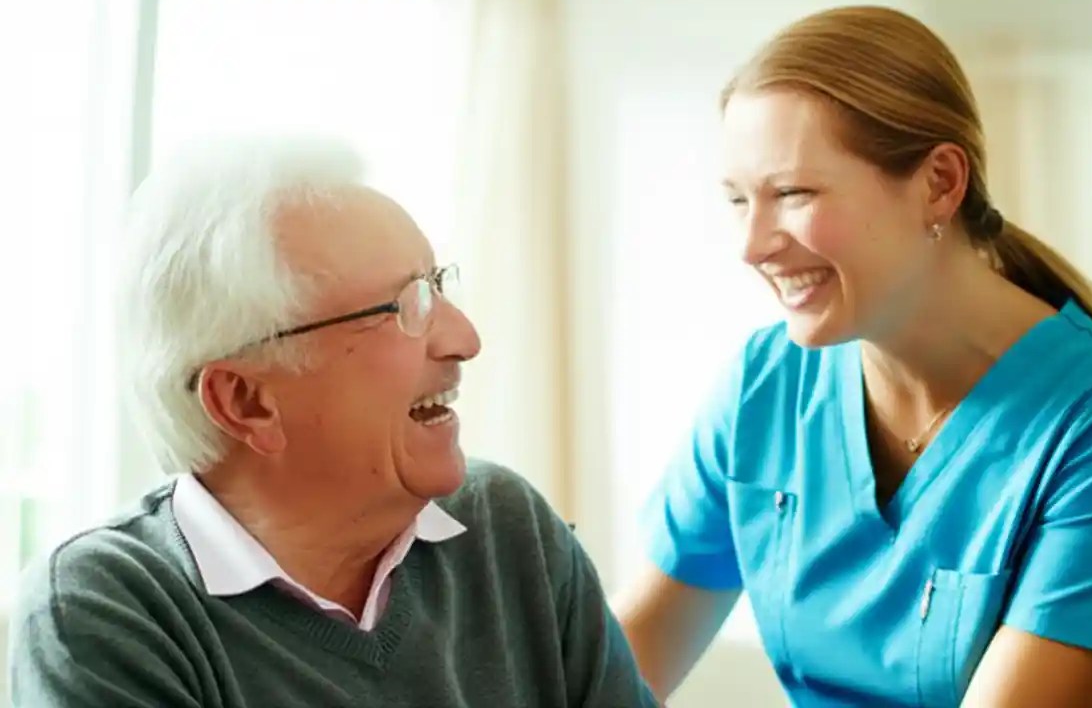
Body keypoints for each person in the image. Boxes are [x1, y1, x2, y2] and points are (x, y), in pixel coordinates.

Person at [618, 5, 1092, 708]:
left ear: (940, 183)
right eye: (739, 200)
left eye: (793, 193)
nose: (751, 243)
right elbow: (613, 675)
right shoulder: (763, 388)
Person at [9, 137, 658, 708]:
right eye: (409, 307)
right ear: (245, 402)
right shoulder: (108, 608)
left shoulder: (505, 529)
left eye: (439, 286)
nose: (464, 338)